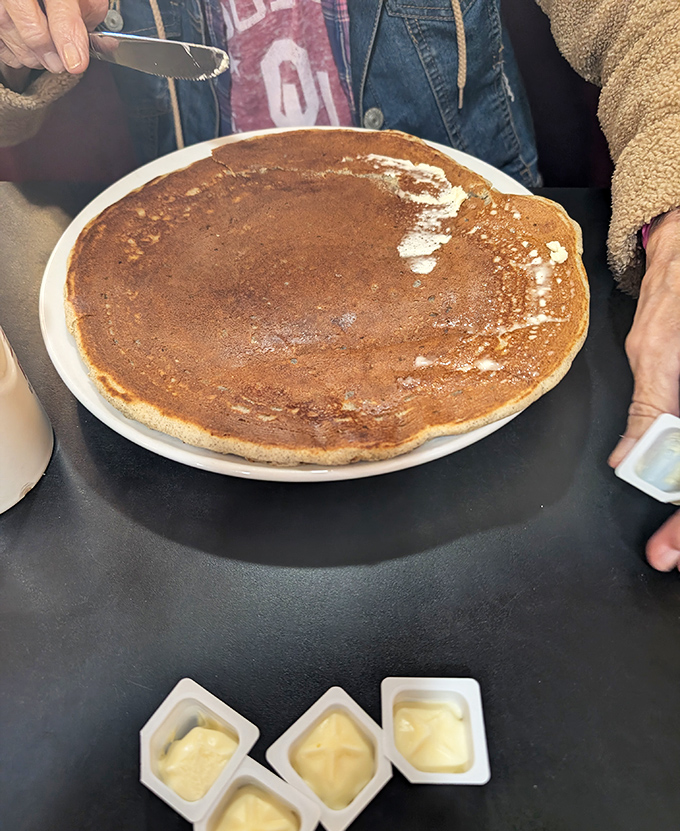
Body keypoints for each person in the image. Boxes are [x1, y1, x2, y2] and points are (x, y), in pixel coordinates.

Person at [1, 0, 679, 571]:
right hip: (177, 303)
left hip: (483, 275)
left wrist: (673, 219)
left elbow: (646, 18)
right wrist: (17, 42)